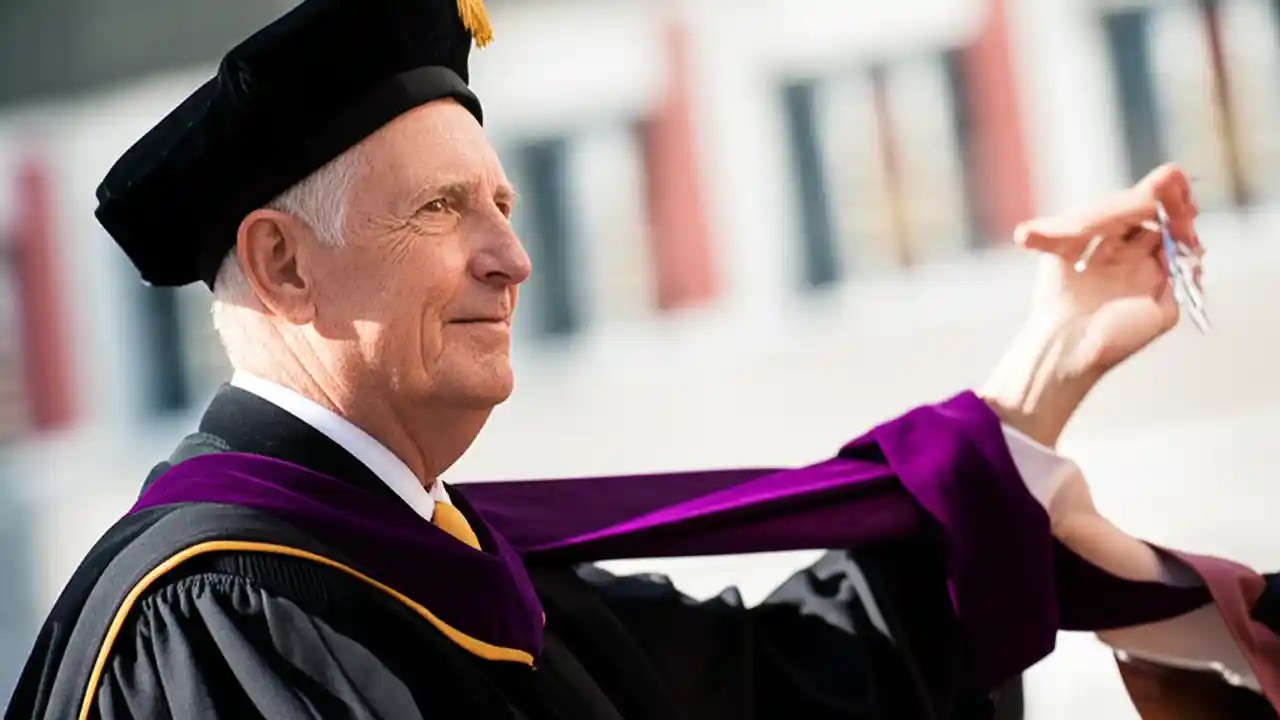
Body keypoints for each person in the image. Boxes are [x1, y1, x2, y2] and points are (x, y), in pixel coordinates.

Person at [5, 0, 1277, 718]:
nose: (513, 257)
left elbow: (792, 690)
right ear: (283, 265)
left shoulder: (443, 564)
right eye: (443, 209)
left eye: (506, 205)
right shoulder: (222, 616)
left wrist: (1046, 368)